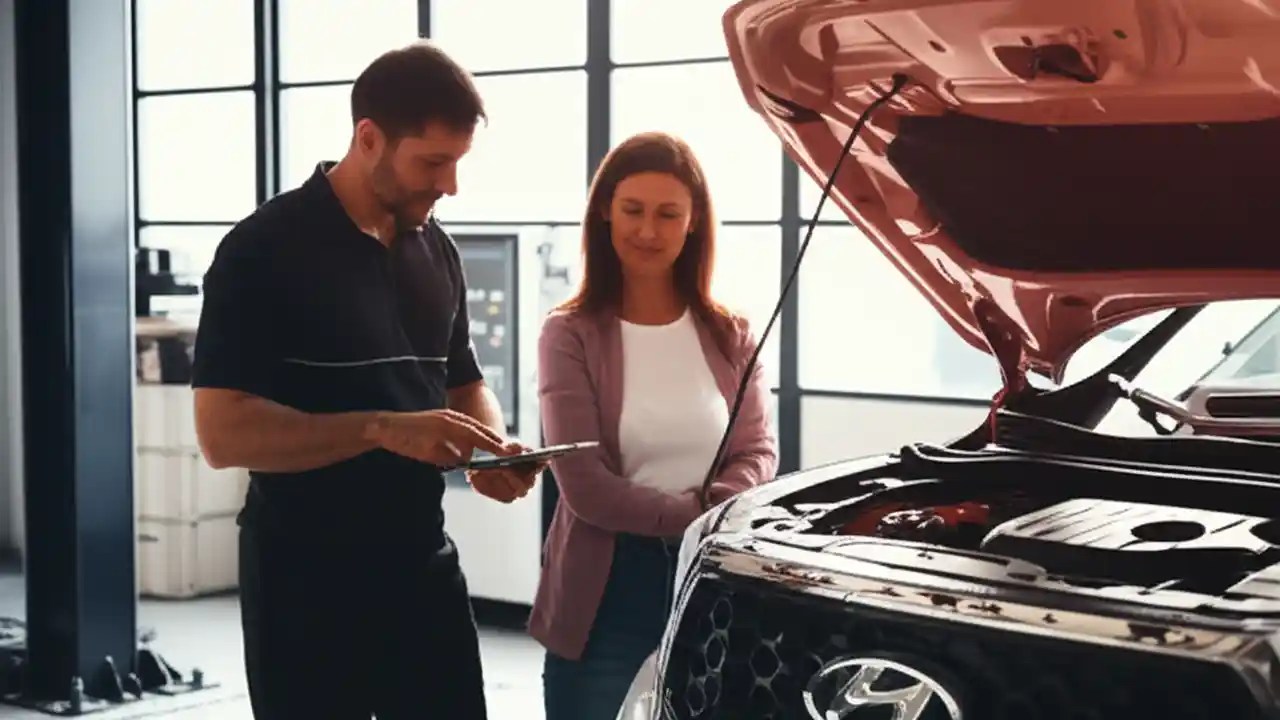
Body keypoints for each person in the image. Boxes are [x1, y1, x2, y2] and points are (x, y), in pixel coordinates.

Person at [190, 41, 540, 720]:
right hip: (302, 581)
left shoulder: (436, 248)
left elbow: (464, 382)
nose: (450, 185)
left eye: (458, 163)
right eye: (433, 162)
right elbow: (221, 431)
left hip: (421, 567)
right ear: (369, 138)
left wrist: (486, 447)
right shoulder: (260, 250)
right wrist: (381, 430)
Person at [529, 132, 779, 719]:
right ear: (605, 213)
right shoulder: (567, 334)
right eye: (632, 210)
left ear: (693, 223)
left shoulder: (730, 333)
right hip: (608, 591)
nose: (647, 230)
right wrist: (696, 517)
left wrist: (706, 520)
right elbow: (584, 485)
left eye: (668, 214)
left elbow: (758, 454)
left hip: (712, 583)